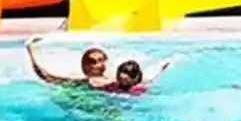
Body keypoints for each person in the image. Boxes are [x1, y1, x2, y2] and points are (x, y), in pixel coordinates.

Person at [26, 36, 175, 93]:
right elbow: (47, 77)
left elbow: (146, 80)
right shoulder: (85, 83)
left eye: (101, 59)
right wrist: (31, 51)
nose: (98, 64)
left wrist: (164, 68)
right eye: (93, 61)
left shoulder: (117, 78)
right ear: (84, 66)